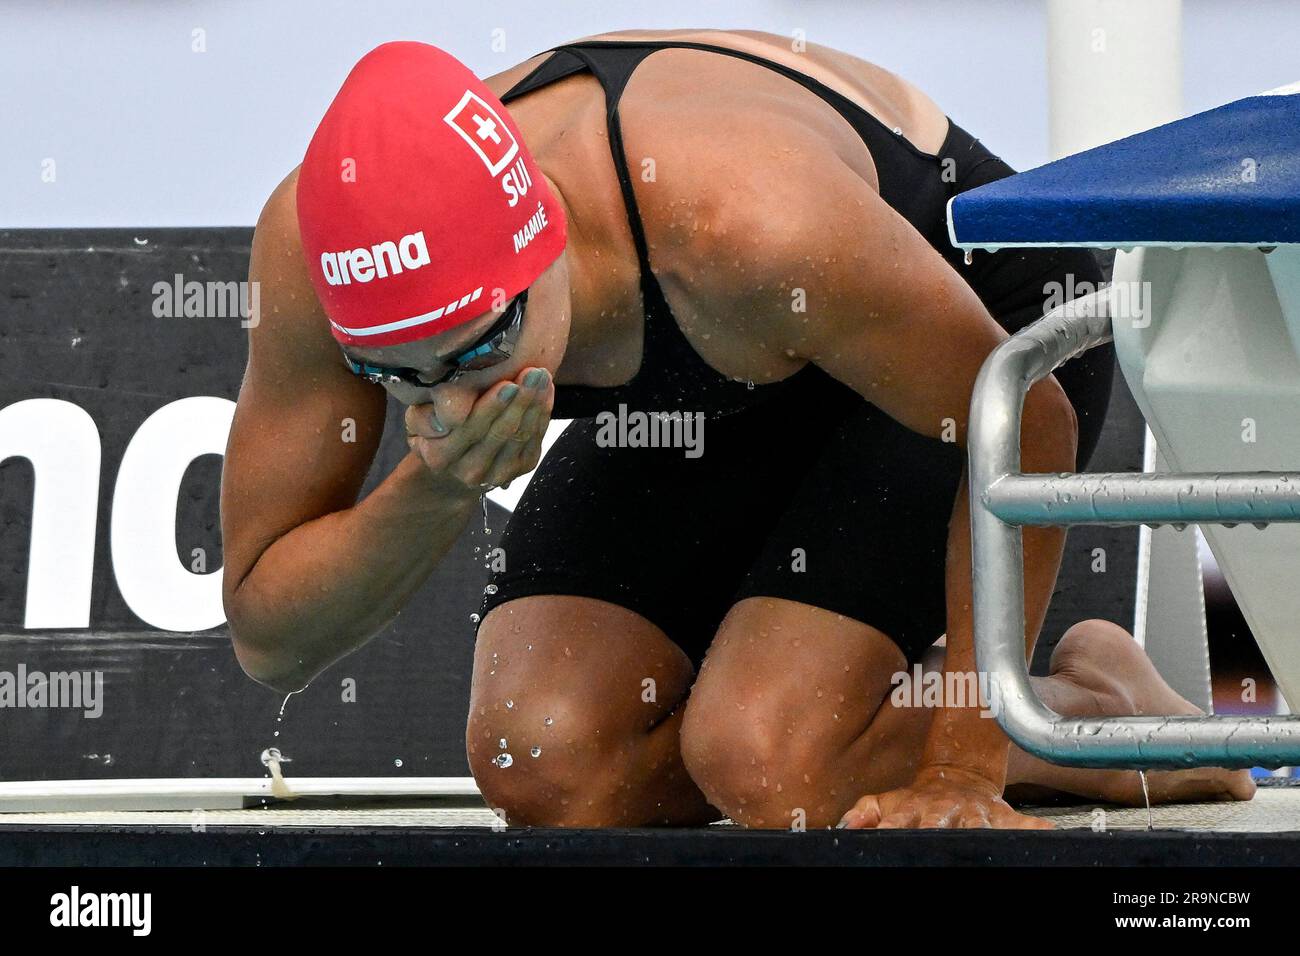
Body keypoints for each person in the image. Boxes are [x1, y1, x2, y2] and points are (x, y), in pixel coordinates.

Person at [222, 29, 1254, 829]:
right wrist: (433, 487)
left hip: (985, 329)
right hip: (729, 370)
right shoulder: (313, 256)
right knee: (544, 764)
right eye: (398, 375)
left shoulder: (737, 220)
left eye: (480, 346)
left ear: (545, 242)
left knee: (767, 760)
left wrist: (962, 756)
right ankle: (830, 705)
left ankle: (1087, 710)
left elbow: (1022, 412)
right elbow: (271, 634)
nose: (447, 401)